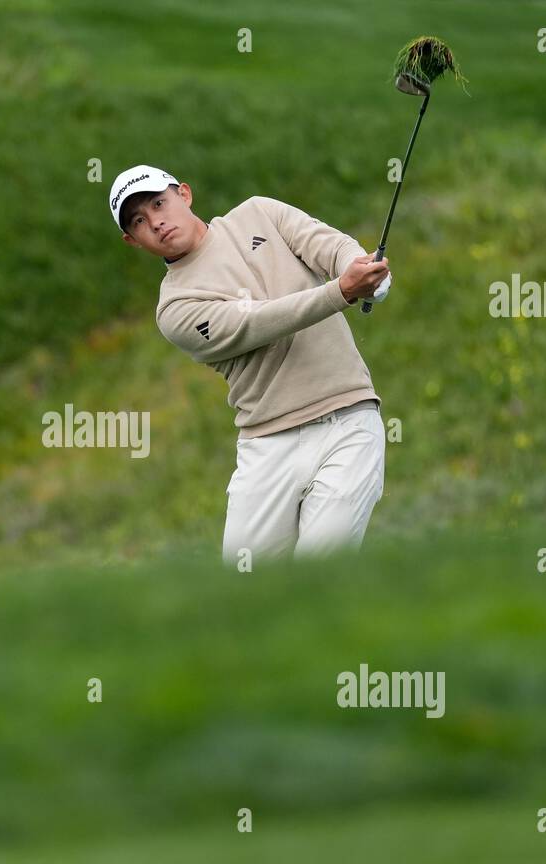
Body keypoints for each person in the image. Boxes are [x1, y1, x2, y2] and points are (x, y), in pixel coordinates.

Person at [110, 164, 391, 564]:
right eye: (139, 220)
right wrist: (341, 292)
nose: (156, 222)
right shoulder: (174, 309)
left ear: (184, 195)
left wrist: (368, 275)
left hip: (348, 423)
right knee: (247, 598)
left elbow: (331, 247)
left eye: (159, 203)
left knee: (320, 573)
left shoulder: (259, 213)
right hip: (266, 446)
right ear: (131, 240)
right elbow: (257, 322)